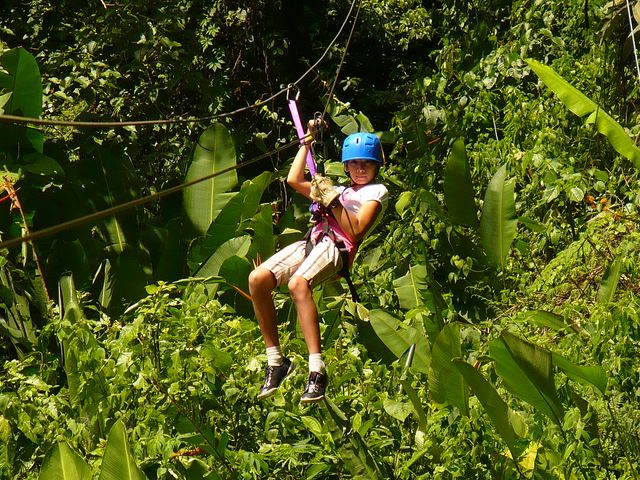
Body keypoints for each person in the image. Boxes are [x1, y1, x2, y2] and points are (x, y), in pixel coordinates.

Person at [248, 121, 388, 403]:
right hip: (312, 242)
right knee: (257, 279)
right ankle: (276, 361)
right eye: (355, 164)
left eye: (367, 165)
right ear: (347, 167)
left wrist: (333, 200)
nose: (361, 169)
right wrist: (305, 144)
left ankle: (317, 369)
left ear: (376, 168)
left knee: (299, 284)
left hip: (337, 248)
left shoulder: (377, 192)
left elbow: (356, 230)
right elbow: (293, 180)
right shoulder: (338, 190)